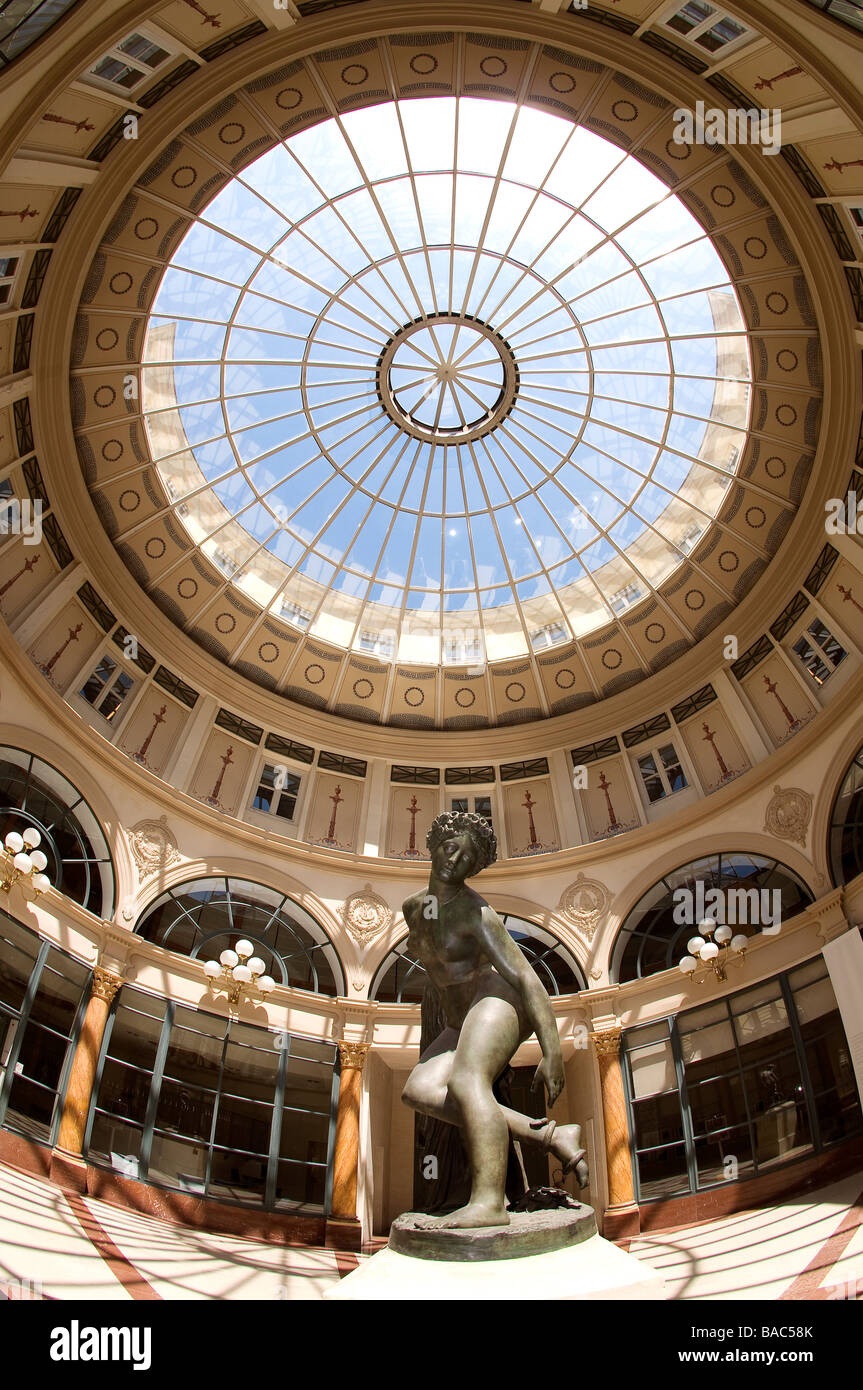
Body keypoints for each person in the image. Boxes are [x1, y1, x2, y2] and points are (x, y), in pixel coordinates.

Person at [401, 810, 588, 1229]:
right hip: (459, 1018)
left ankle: (489, 1204)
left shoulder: (475, 912)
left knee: (467, 1082)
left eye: (468, 859)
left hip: (499, 1000)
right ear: (434, 846)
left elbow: (524, 975)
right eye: (450, 849)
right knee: (417, 1090)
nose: (455, 861)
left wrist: (552, 1050)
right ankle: (551, 1136)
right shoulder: (413, 908)